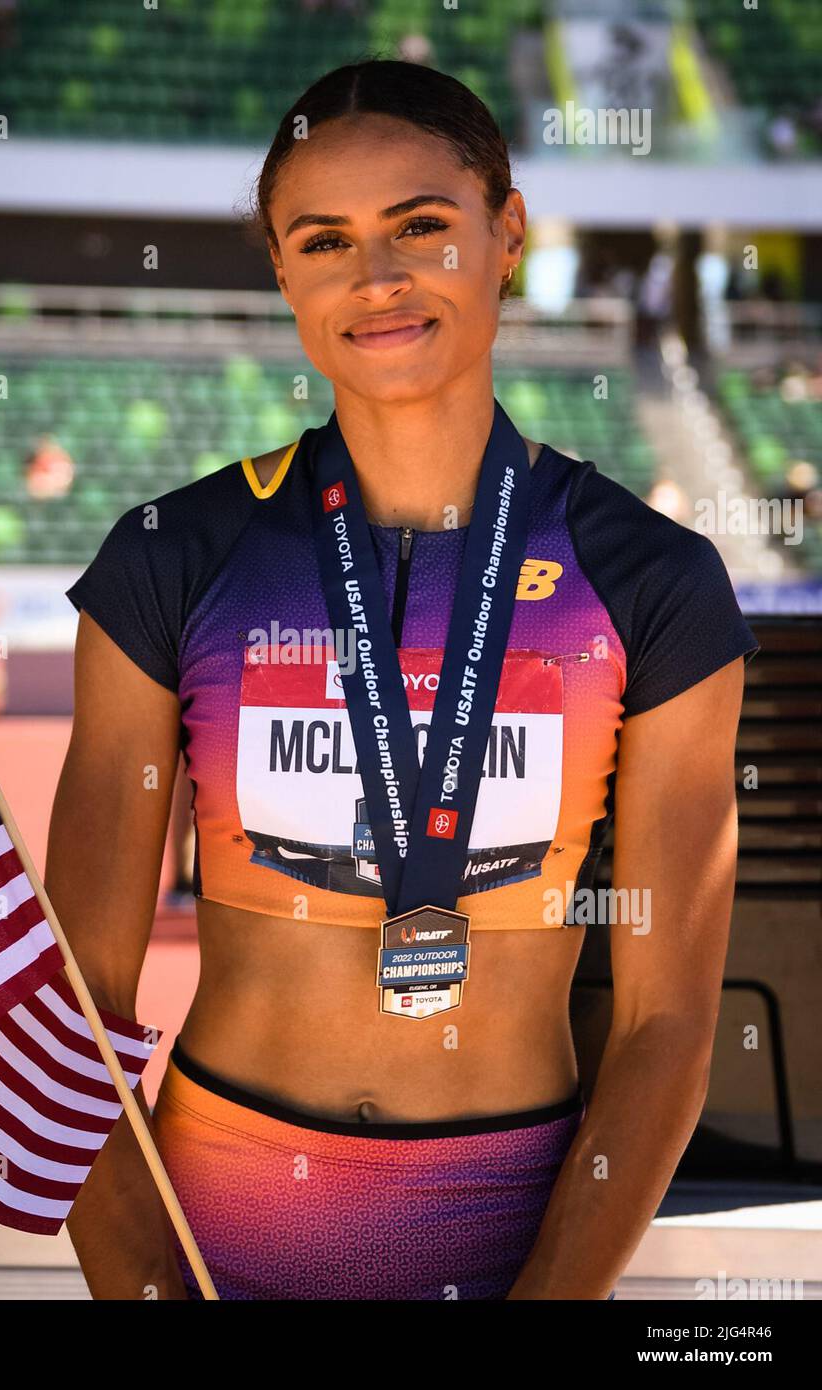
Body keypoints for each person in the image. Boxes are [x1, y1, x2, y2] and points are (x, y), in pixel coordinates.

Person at [45, 60, 759, 1301]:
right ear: (281, 271)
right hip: (216, 1222)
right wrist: (144, 1293)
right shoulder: (170, 558)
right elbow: (75, 1004)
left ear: (508, 231)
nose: (374, 279)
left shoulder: (652, 579)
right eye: (323, 241)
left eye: (420, 225)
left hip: (514, 1233)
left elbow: (661, 1030)